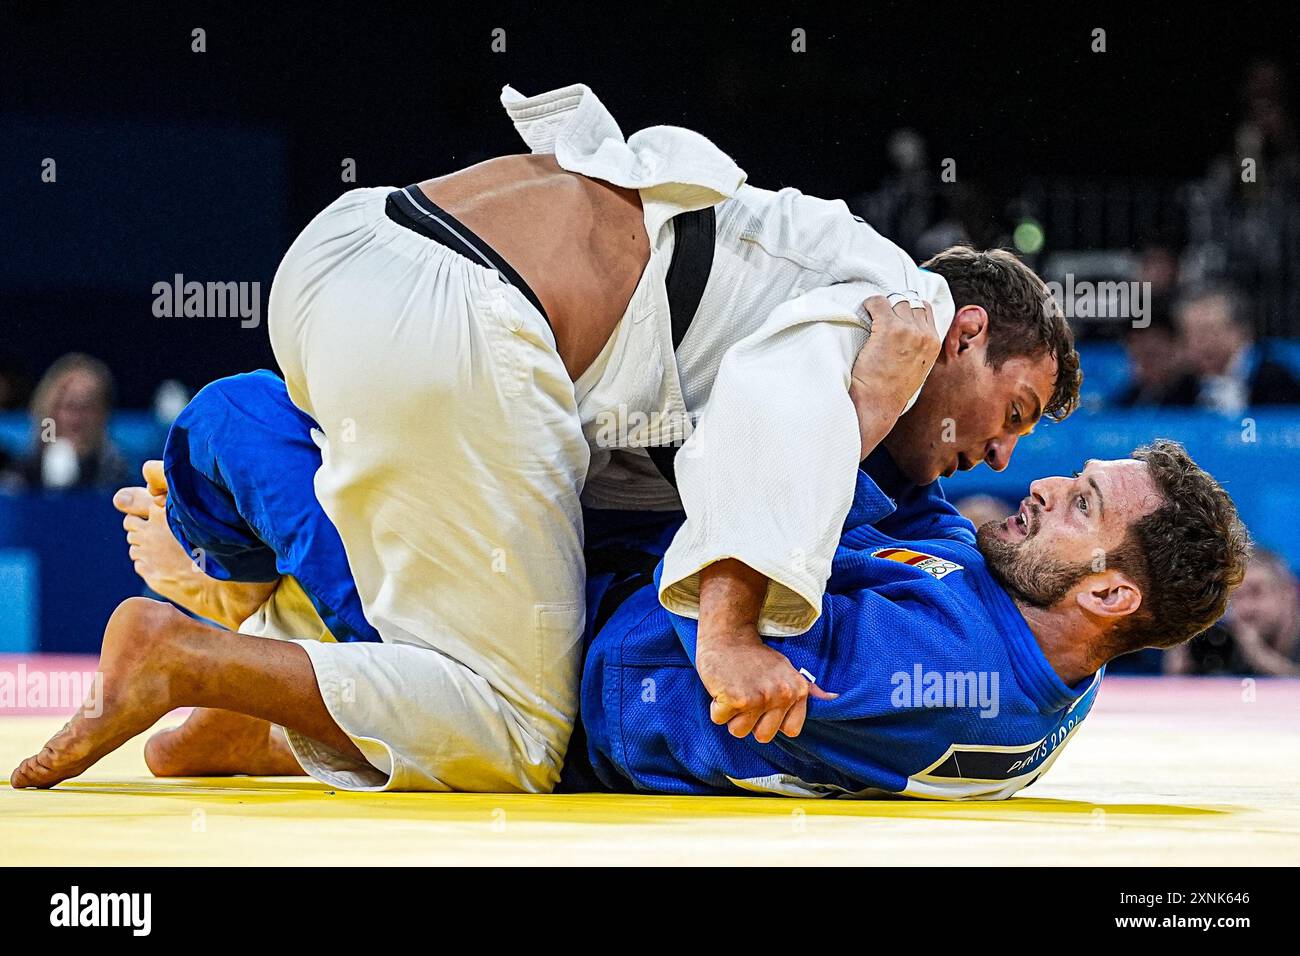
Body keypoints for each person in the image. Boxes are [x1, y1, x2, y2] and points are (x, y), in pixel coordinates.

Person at [11, 83, 1079, 793]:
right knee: (522, 729)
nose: (1001, 454)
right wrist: (730, 637)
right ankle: (193, 657)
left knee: (352, 469)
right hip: (460, 320)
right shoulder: (899, 309)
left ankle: (238, 606)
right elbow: (774, 406)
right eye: (1017, 412)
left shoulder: (818, 269)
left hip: (348, 252)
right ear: (966, 332)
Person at [568, 440, 1249, 798]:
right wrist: (930, 421)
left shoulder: (944, 670)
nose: (1046, 486)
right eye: (1075, 478)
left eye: (1083, 504)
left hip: (590, 661)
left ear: (1107, 596)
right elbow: (929, 527)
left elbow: (734, 610)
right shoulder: (1057, 647)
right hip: (627, 590)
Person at [5, 353, 132, 491]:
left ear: (103, 414)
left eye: (87, 407)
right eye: (69, 406)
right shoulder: (20, 471)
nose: (76, 419)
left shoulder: (117, 471)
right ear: (48, 411)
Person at [1165, 549, 1300, 676]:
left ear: (1288, 593)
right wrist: (1178, 675)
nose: (1246, 608)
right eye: (1236, 596)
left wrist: (1260, 658)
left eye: (1256, 592)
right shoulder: (1225, 643)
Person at [1176, 287, 1300, 413]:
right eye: (1190, 334)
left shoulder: (1276, 380)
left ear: (1242, 330)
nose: (1201, 343)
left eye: (1209, 330)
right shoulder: (1183, 387)